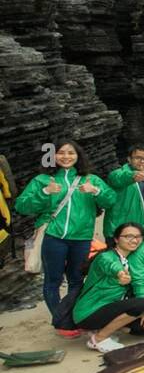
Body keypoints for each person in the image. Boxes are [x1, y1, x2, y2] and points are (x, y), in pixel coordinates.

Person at [14, 139, 116, 329]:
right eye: (61, 153)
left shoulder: (91, 179)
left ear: (78, 157)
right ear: (52, 156)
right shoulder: (43, 180)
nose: (66, 157)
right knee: (53, 280)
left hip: (82, 237)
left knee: (76, 279)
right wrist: (45, 192)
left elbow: (111, 200)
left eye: (71, 153)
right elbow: (22, 206)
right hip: (54, 237)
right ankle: (61, 320)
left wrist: (96, 191)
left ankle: (72, 314)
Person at [72, 222, 144, 353]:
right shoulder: (106, 256)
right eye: (128, 236)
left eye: (138, 237)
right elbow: (111, 265)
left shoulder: (130, 258)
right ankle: (98, 339)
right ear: (116, 239)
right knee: (141, 304)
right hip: (90, 311)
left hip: (108, 307)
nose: (134, 240)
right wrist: (120, 273)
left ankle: (103, 330)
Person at [104, 144, 144, 236]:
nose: (142, 161)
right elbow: (118, 179)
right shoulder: (117, 174)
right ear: (129, 159)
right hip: (121, 232)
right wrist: (132, 176)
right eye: (137, 157)